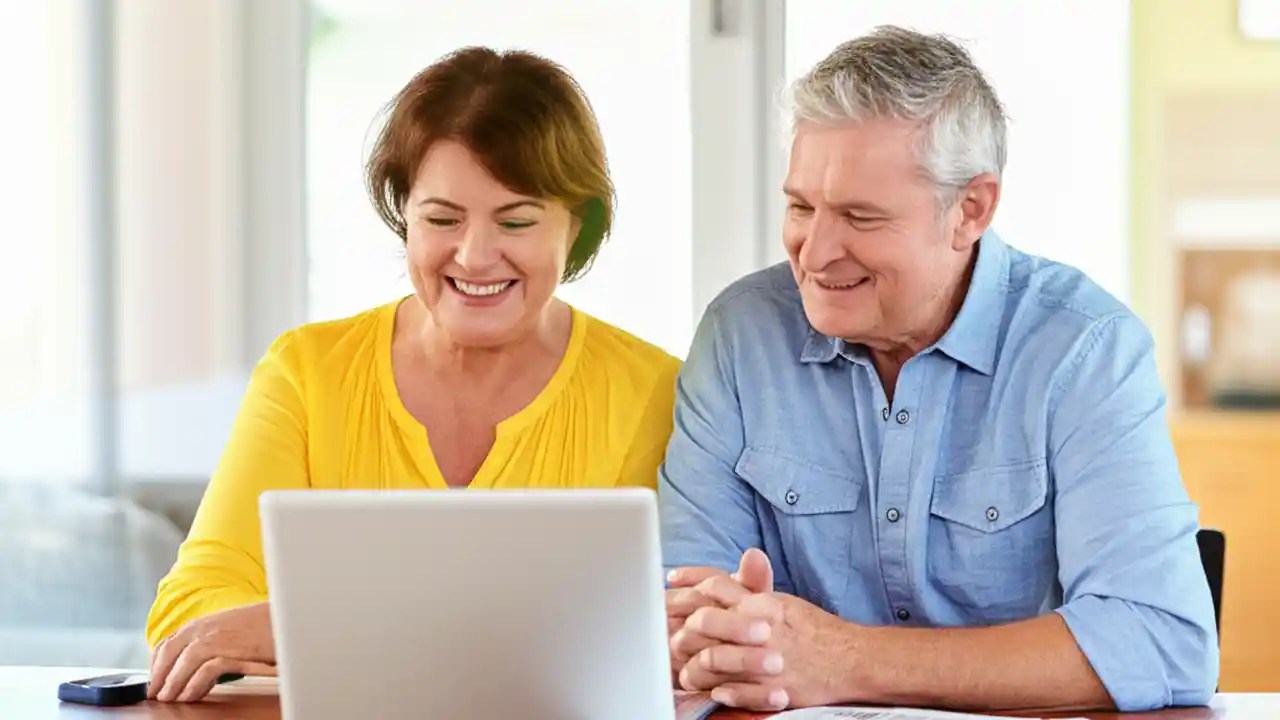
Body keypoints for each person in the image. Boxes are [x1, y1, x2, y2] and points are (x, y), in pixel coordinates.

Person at [660, 26, 1218, 714]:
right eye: (802, 206)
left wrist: (846, 662)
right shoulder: (742, 335)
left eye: (860, 217)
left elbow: (1163, 640)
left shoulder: (1085, 350)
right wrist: (712, 637)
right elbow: (679, 611)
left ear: (971, 210)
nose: (815, 252)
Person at [145, 47, 681, 703]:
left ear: (578, 225)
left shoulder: (654, 392)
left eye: (516, 220)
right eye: (441, 218)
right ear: (404, 215)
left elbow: (657, 632)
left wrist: (308, 629)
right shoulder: (307, 373)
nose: (476, 255)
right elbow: (193, 613)